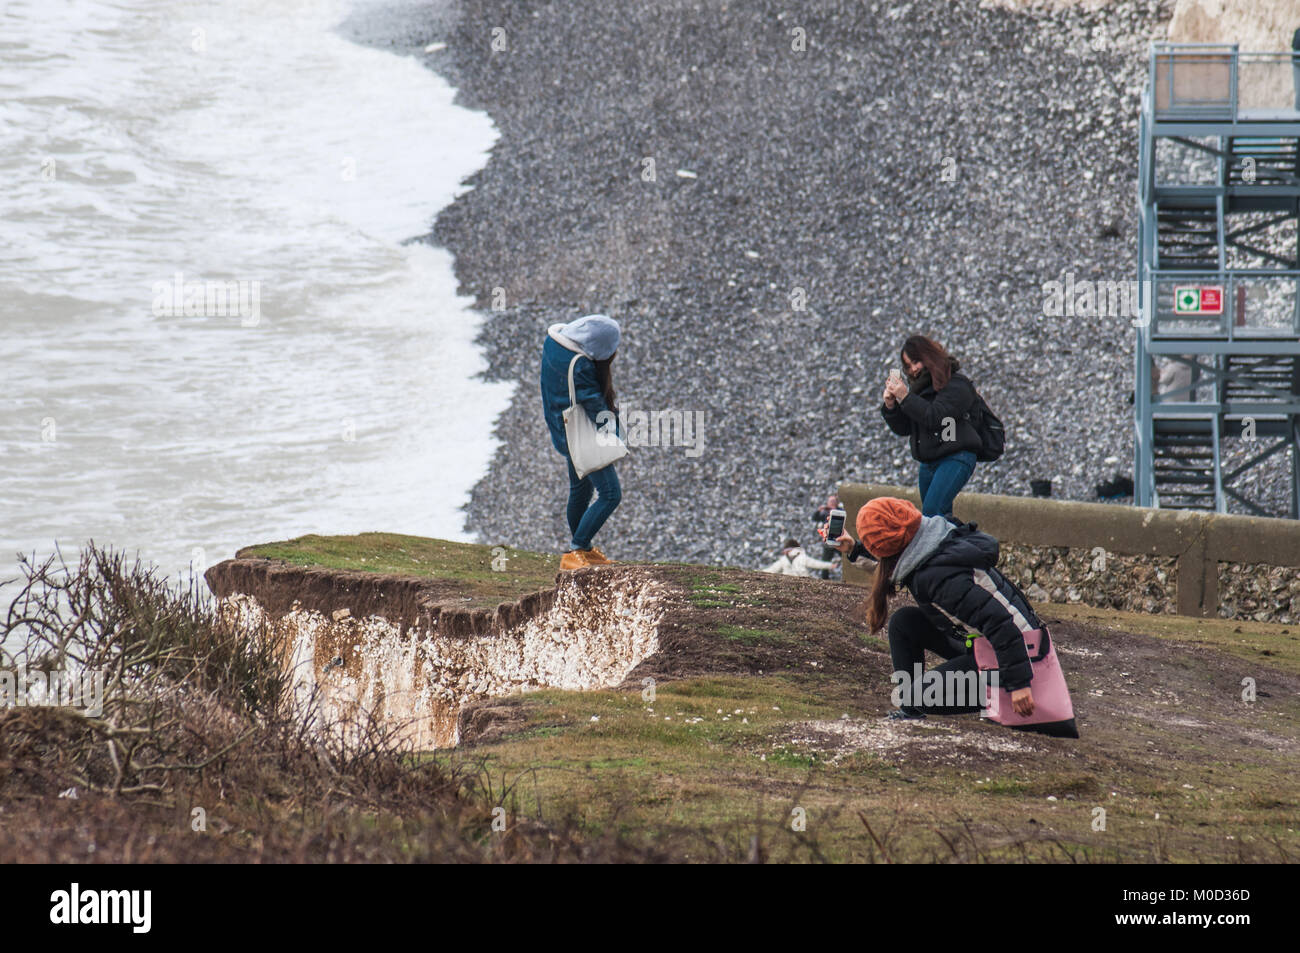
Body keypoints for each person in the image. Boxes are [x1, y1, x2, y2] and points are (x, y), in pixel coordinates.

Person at [831, 497, 1037, 722]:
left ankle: (1004, 698)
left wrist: (1019, 683)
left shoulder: (938, 577)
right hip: (984, 642)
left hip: (1022, 652)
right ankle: (911, 711)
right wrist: (853, 549)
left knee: (920, 696)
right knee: (904, 622)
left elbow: (999, 621)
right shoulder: (930, 538)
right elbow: (890, 568)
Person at [540, 314, 623, 570]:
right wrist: (614, 433)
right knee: (610, 494)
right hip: (581, 436)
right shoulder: (580, 366)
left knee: (581, 490)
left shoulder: (555, 345)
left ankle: (582, 551)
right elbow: (594, 405)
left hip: (562, 429)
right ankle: (576, 549)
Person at [881, 335, 982, 518]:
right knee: (934, 520)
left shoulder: (957, 385)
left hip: (955, 457)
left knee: (932, 514)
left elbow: (936, 417)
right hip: (928, 463)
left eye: (916, 361)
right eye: (908, 366)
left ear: (930, 356)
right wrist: (891, 406)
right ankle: (959, 544)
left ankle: (973, 542)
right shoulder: (918, 391)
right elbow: (905, 428)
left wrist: (906, 398)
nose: (913, 369)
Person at [762, 538, 838, 577]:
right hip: (804, 580)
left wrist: (758, 572)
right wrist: (830, 565)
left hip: (786, 581)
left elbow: (773, 569)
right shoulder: (802, 557)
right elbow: (815, 564)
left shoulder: (783, 559)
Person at [811, 493, 842, 578]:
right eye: (830, 501)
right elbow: (814, 518)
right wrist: (819, 510)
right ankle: (825, 579)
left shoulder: (841, 511)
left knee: (846, 558)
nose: (831, 503)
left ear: (837, 503)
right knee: (825, 561)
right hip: (828, 540)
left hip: (839, 539)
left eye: (833, 501)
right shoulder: (825, 513)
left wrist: (834, 510)